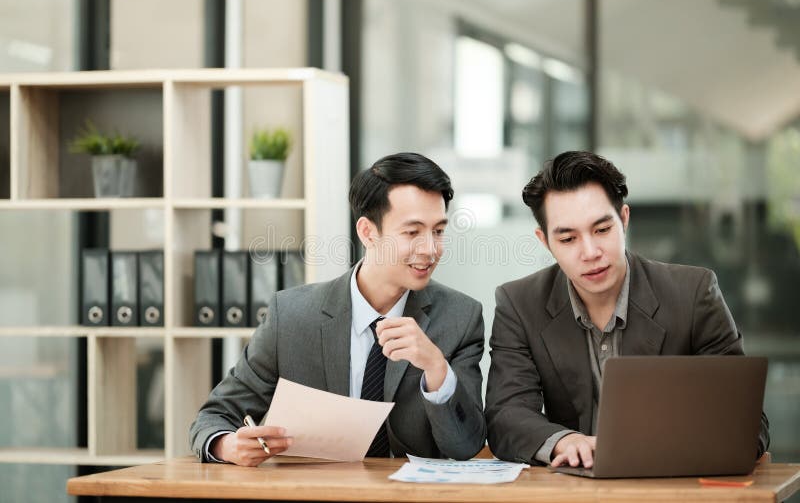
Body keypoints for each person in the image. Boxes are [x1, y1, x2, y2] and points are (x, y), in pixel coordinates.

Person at [190, 152, 486, 466]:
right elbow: (213, 417)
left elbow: (465, 445)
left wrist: (436, 368)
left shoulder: (460, 318)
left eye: (438, 231)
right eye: (412, 233)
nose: (429, 249)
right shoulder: (291, 315)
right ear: (368, 232)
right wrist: (227, 445)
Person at [485, 150, 769, 468]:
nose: (590, 252)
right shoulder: (519, 304)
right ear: (545, 241)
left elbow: (747, 421)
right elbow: (505, 415)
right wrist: (564, 441)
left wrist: (668, 447)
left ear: (624, 219)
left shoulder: (693, 294)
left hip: (674, 487)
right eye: (568, 239)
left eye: (602, 230)